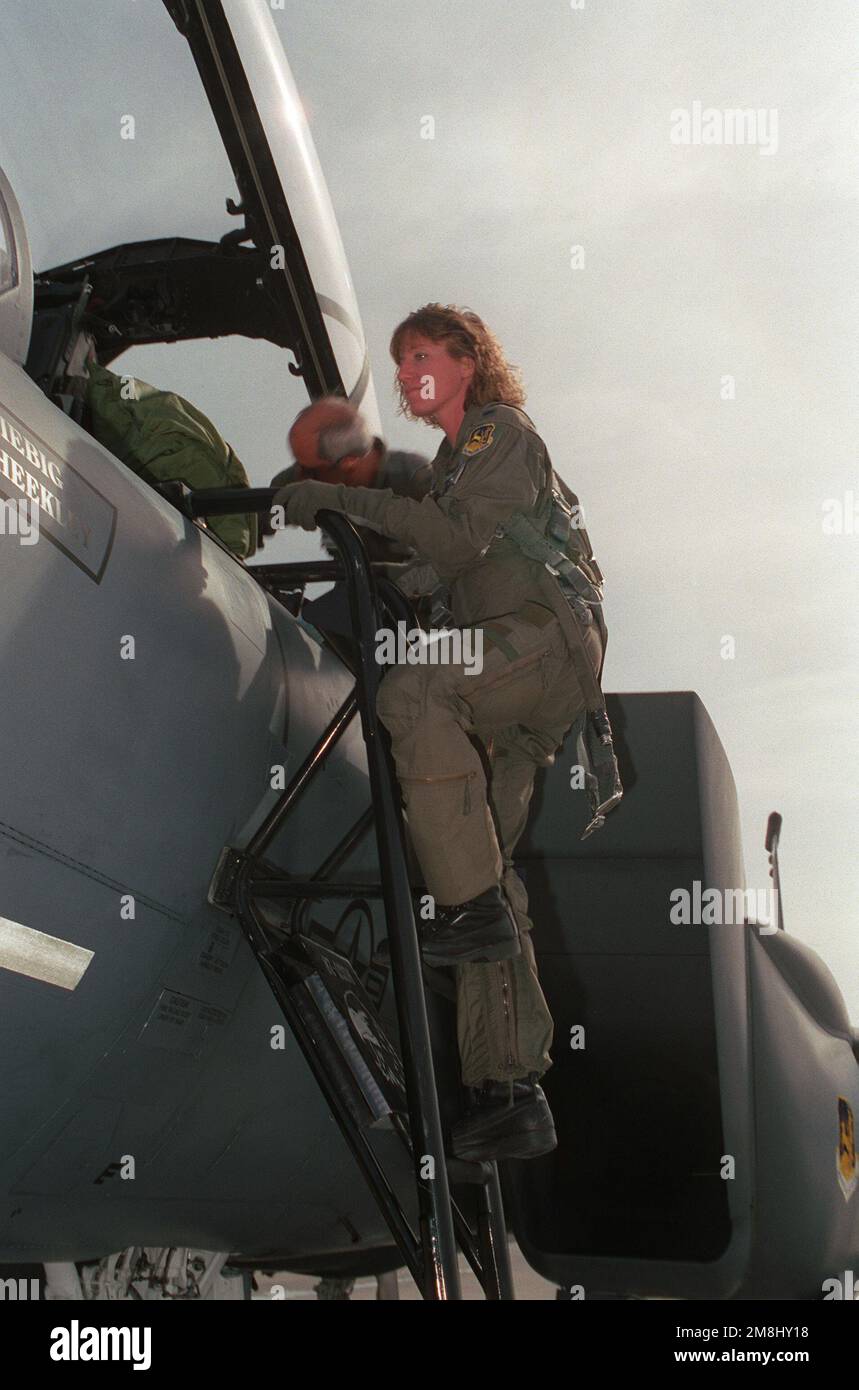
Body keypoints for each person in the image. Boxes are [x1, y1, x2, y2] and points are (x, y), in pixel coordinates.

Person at [273, 304, 609, 1162]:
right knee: (479, 871)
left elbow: (455, 545)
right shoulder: (461, 471)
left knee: (416, 699)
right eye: (400, 361)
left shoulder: (494, 434)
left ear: (467, 361)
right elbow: (431, 569)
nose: (410, 372)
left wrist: (331, 496)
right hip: (515, 661)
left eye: (424, 354)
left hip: (539, 635)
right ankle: (509, 1091)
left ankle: (472, 911)